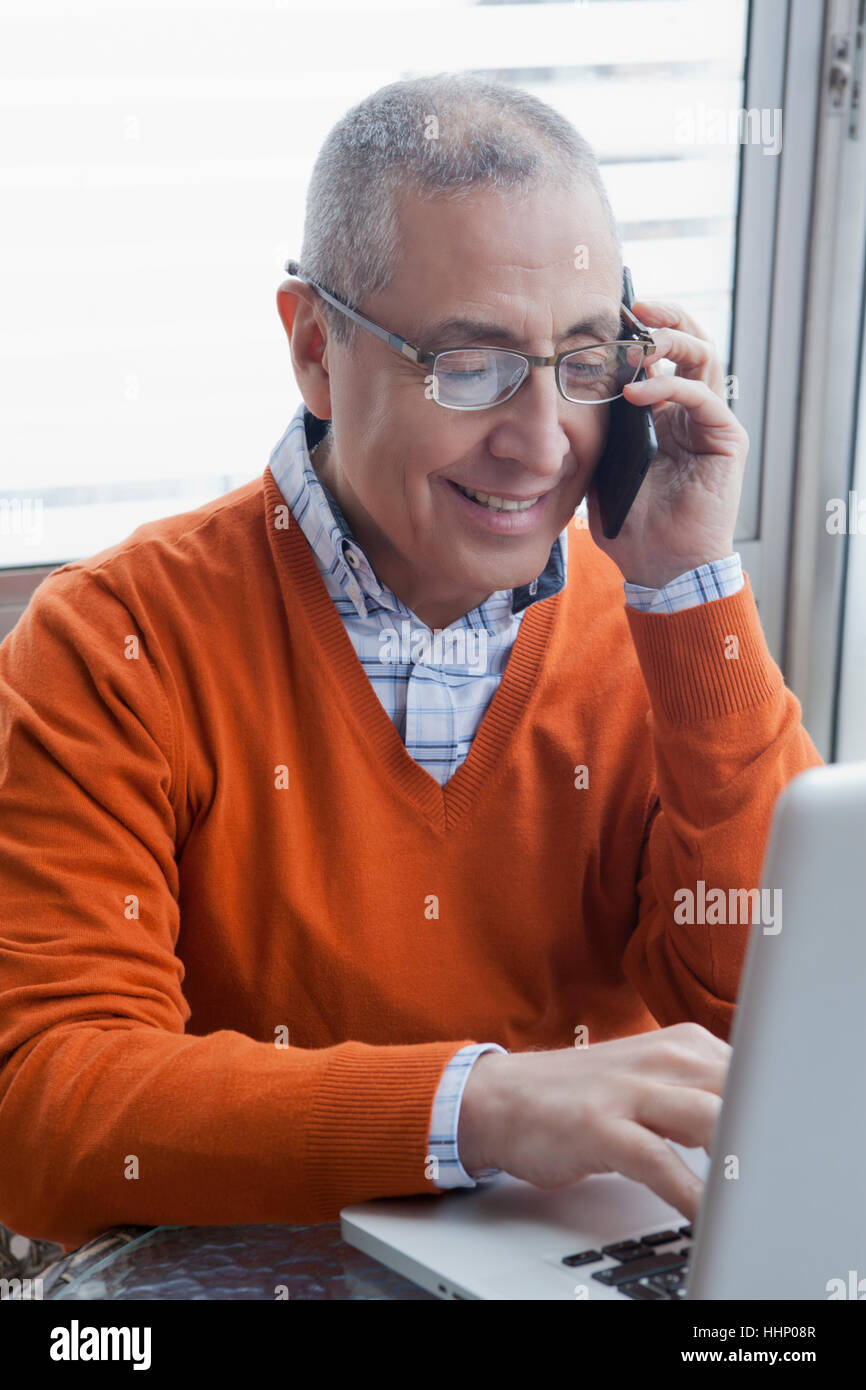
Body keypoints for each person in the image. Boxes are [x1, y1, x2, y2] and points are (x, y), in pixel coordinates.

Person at [0, 73, 821, 1254]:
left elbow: (780, 1035)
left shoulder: (659, 634)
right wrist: (472, 1107)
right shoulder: (115, 643)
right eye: (470, 364)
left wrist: (690, 594)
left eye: (584, 361)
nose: (541, 442)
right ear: (314, 347)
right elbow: (47, 1112)